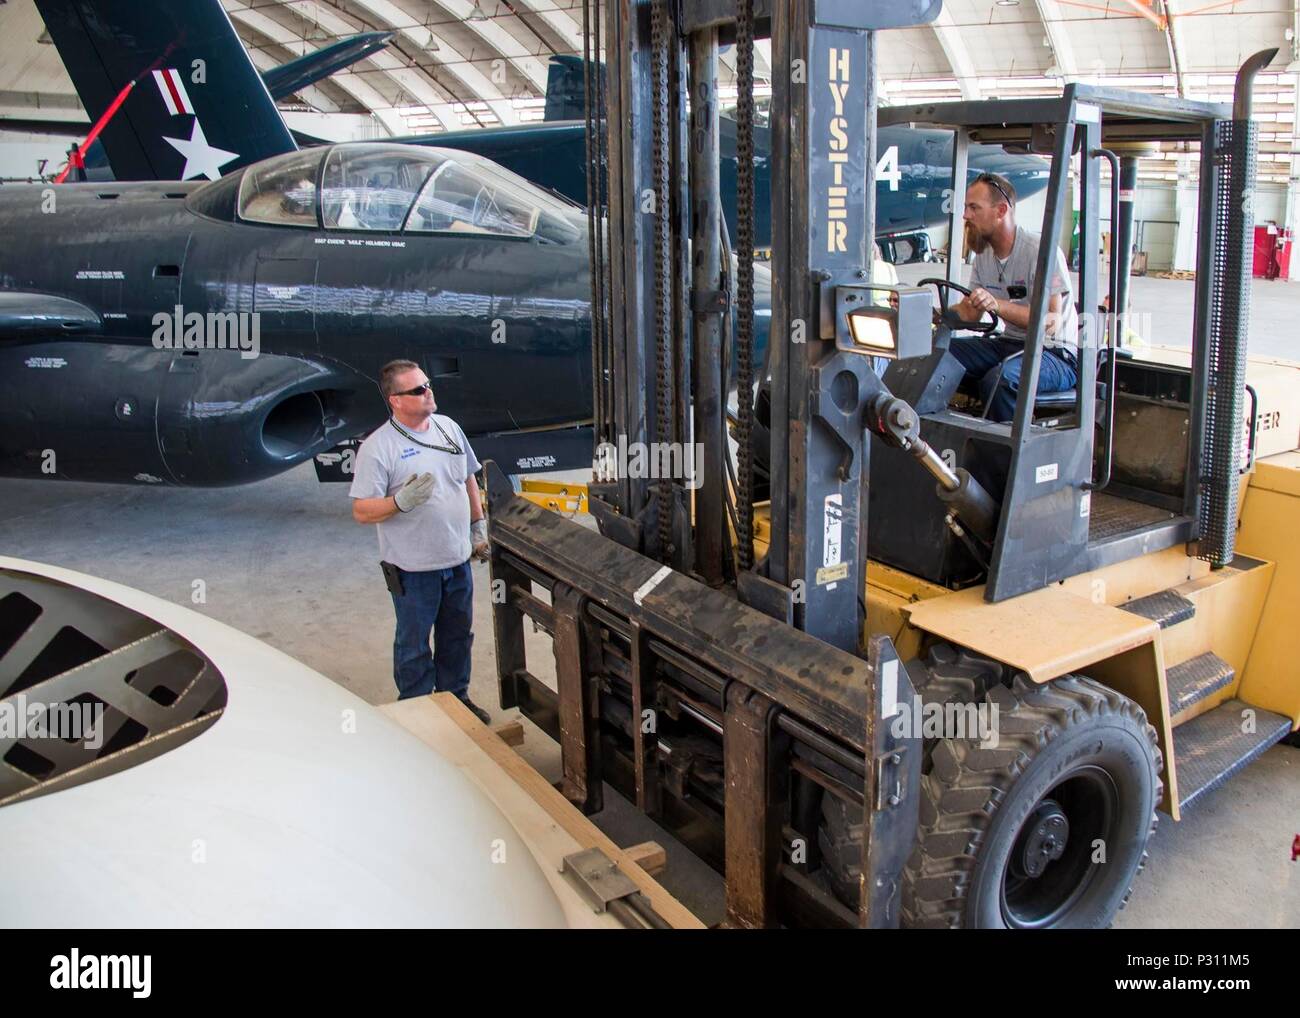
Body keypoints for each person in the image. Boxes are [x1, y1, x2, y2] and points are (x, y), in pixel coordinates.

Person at [350, 359, 492, 723]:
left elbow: (468, 478)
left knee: (457, 638)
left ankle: (456, 701)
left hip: (456, 561)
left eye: (427, 384)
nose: (428, 391)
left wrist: (478, 525)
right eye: (417, 389)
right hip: (414, 571)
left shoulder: (448, 429)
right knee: (414, 646)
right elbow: (362, 511)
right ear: (395, 400)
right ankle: (416, 712)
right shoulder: (379, 447)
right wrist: (399, 502)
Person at [951, 172, 1079, 422]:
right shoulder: (983, 258)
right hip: (1010, 344)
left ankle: (1000, 458)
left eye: (973, 207)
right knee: (939, 355)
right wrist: (926, 313)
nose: (966, 215)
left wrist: (997, 304)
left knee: (1002, 379)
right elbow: (970, 313)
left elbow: (1050, 322)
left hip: (1055, 354)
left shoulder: (1040, 252)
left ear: (1000, 211)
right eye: (966, 207)